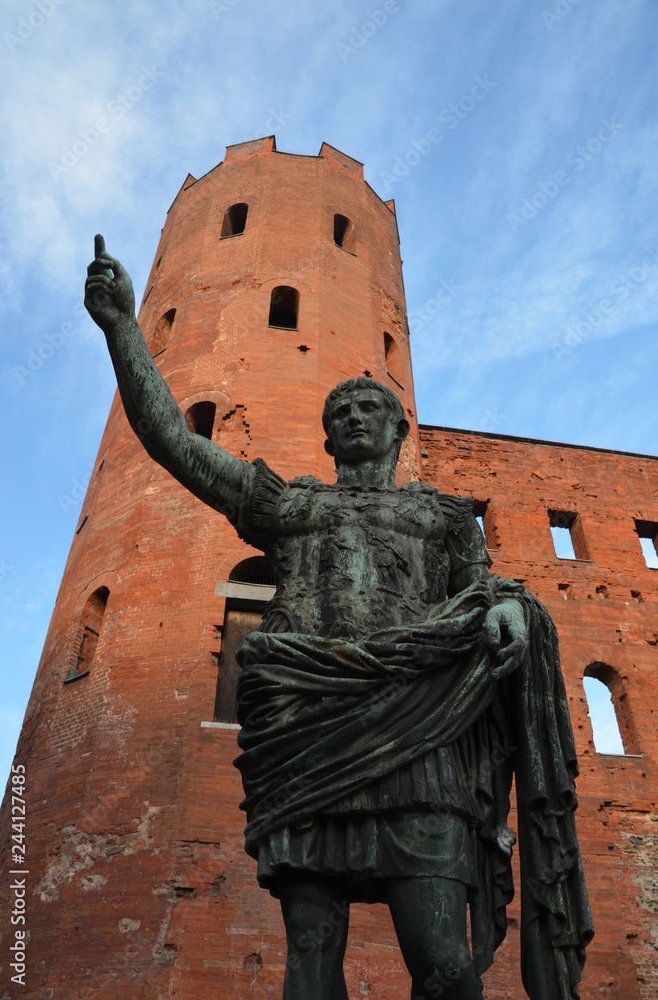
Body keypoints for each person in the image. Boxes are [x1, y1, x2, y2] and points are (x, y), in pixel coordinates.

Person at [85, 240, 592, 1000]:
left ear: (397, 431)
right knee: (310, 958)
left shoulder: (445, 516)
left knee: (444, 964)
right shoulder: (296, 507)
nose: (355, 416)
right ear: (327, 437)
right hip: (308, 730)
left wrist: (513, 612)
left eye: (370, 408)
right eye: (341, 412)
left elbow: (487, 593)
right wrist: (123, 328)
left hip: (421, 737)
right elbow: (178, 446)